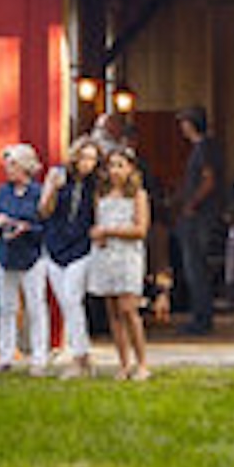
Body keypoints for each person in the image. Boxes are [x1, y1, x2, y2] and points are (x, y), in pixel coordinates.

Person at [37, 135, 105, 378]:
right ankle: (84, 356)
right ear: (75, 157)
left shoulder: (95, 183)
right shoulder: (58, 174)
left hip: (81, 246)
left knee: (72, 298)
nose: (87, 163)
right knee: (66, 302)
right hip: (55, 245)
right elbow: (43, 211)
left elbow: (97, 212)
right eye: (84, 157)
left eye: (92, 159)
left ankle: (79, 357)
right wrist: (52, 190)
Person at [90, 150, 153, 381]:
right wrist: (98, 235)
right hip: (105, 256)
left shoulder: (138, 195)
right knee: (113, 312)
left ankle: (142, 363)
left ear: (130, 168)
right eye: (111, 166)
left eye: (120, 165)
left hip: (128, 256)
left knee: (129, 309)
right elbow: (98, 223)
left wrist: (109, 231)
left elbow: (140, 230)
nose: (115, 171)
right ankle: (123, 363)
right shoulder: (101, 194)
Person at [0, 143, 49, 374]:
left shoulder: (38, 192)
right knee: (6, 307)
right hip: (6, 255)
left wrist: (26, 228)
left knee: (36, 307)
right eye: (7, 164)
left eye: (12, 164)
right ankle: (6, 355)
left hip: (32, 256)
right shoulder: (3, 192)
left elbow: (45, 226)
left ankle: (39, 358)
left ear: (25, 166)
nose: (8, 168)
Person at [171, 106, 224, 336]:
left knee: (195, 267)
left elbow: (208, 180)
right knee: (195, 267)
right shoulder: (205, 148)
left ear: (190, 124)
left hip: (199, 218)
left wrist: (191, 204)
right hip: (200, 216)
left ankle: (201, 319)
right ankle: (201, 315)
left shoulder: (203, 149)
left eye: (184, 123)